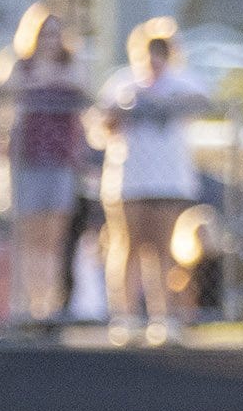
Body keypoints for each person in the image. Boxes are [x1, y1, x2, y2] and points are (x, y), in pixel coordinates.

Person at [90, 18, 213, 341]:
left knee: (164, 251)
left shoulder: (182, 82)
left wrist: (163, 103)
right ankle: (125, 318)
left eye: (160, 51)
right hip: (129, 181)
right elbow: (99, 127)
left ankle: (164, 318)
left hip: (170, 181)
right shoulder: (121, 82)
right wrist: (121, 111)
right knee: (127, 247)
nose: (153, 58)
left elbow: (204, 100)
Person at [0, 3, 91, 326]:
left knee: (54, 236)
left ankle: (46, 305)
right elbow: (1, 90)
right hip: (27, 159)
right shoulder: (21, 65)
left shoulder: (72, 65)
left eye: (56, 34)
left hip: (61, 161)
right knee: (26, 233)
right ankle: (22, 306)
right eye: (45, 33)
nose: (51, 40)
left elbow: (84, 92)